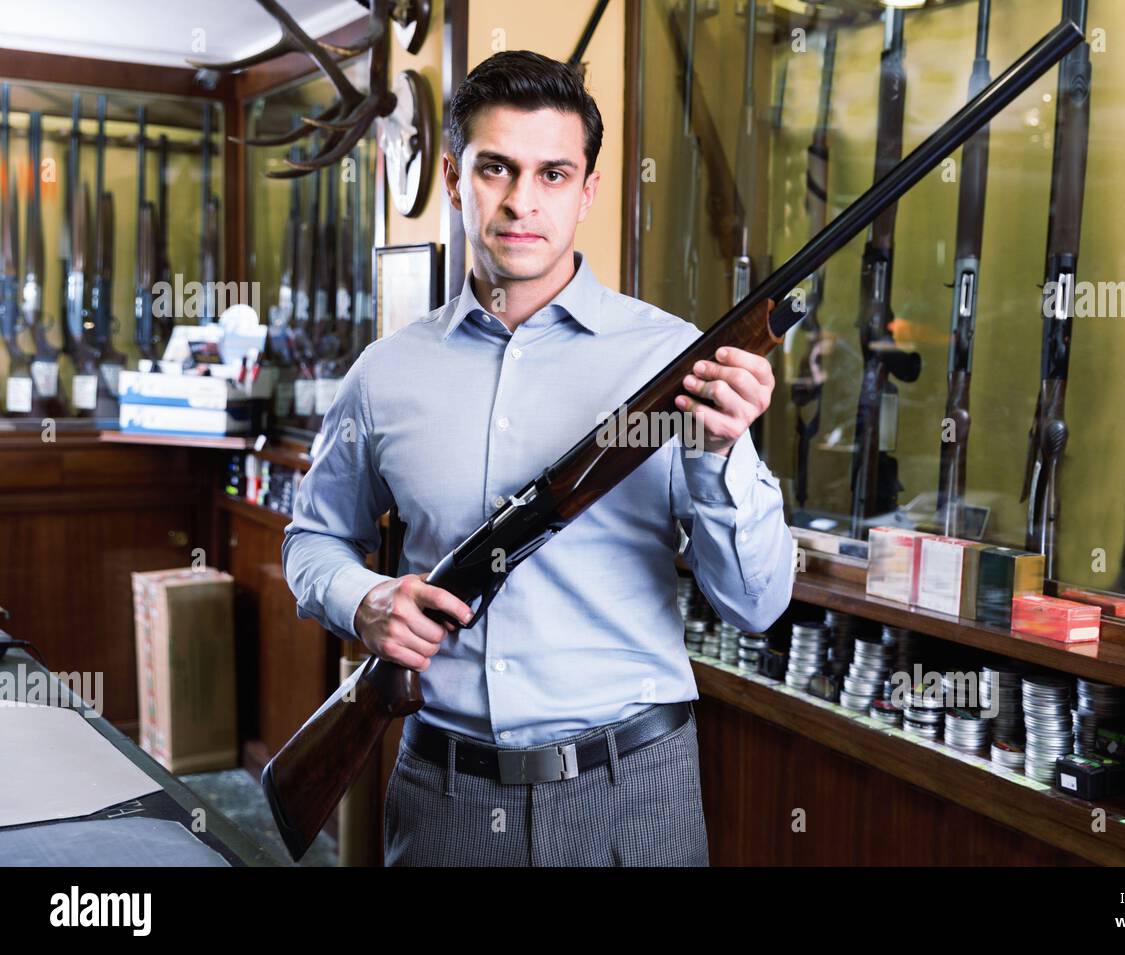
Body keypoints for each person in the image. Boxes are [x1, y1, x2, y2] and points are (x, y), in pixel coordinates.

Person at [283, 49, 794, 867]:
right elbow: (310, 540)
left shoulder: (678, 366)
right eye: (496, 169)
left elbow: (757, 605)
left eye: (554, 174)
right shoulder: (385, 374)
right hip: (445, 792)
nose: (523, 202)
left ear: (589, 190)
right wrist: (364, 600)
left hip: (636, 794)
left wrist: (724, 450)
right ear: (454, 178)